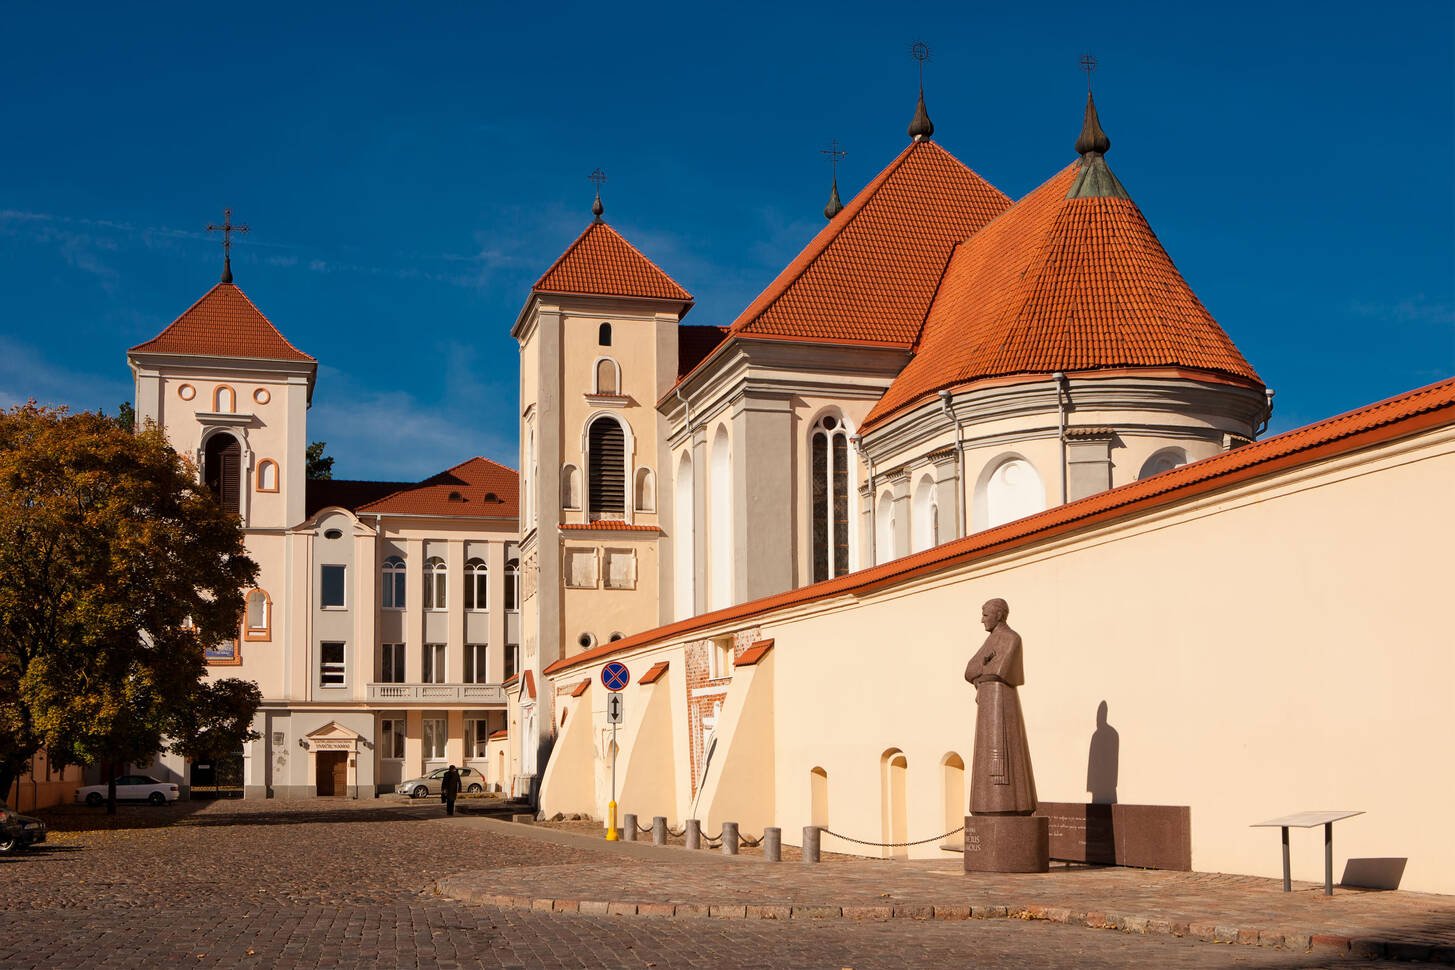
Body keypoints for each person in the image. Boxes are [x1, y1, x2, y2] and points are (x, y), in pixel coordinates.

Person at [963, 598, 1038, 816]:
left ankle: (1011, 804)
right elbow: (968, 671)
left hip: (1001, 700)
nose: (982, 620)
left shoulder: (1011, 638)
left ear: (999, 615)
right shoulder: (990, 641)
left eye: (985, 615)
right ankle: (986, 806)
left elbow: (999, 670)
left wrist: (982, 670)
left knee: (1004, 749)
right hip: (987, 701)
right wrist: (984, 665)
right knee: (986, 749)